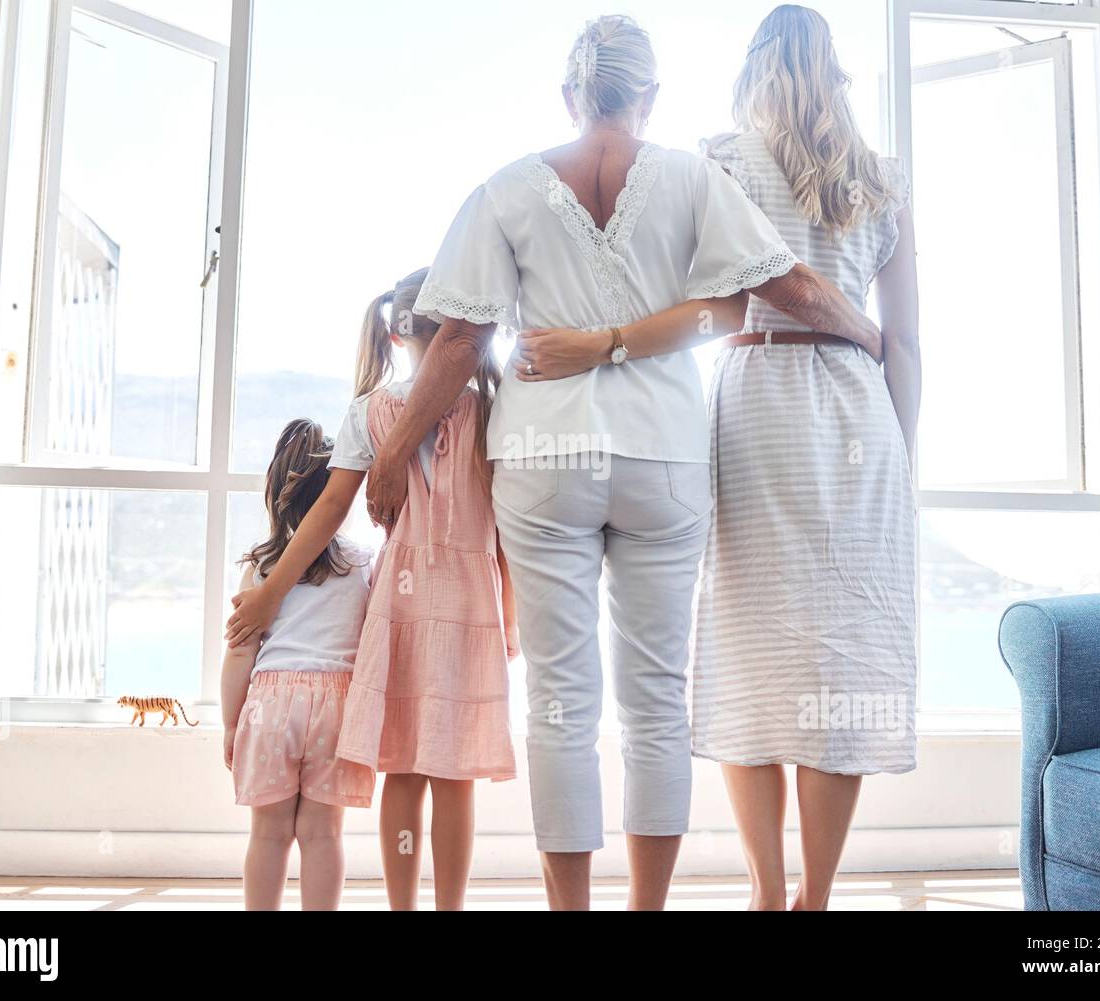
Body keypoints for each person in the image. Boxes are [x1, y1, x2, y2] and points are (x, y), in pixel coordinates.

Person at [362, 15, 883, 911]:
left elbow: (454, 342)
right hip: (665, 458)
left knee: (563, 698)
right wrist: (865, 331)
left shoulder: (505, 189)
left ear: (570, 94)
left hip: (541, 458)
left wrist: (393, 453)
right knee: (655, 697)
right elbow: (778, 283)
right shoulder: (687, 176)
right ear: (649, 96)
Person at [519, 4, 922, 911]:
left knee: (749, 653)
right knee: (837, 665)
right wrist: (900, 455)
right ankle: (815, 897)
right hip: (861, 413)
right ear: (837, 69)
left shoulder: (725, 160)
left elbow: (723, 302)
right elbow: (909, 341)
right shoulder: (883, 179)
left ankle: (767, 892)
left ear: (755, 69)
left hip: (758, 400)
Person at [225, 269, 517, 911]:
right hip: (470, 599)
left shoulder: (369, 410)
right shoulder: (494, 406)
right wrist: (514, 610)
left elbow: (330, 507)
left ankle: (403, 908)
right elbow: (506, 521)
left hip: (402, 603)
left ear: (395, 330)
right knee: (454, 777)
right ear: (464, 330)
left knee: (404, 773)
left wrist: (272, 591)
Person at [221, 419, 372, 911]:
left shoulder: (261, 568)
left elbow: (240, 650)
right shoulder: (362, 563)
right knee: (323, 833)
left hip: (270, 704)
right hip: (339, 707)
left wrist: (230, 723)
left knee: (268, 834)